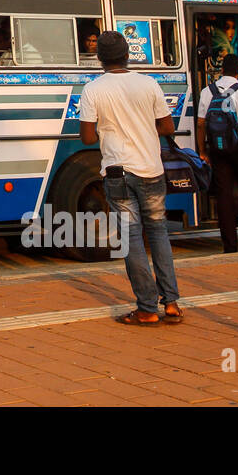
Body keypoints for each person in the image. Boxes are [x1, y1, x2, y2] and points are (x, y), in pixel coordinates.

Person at [78, 31, 183, 325]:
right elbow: (167, 127)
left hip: (119, 173)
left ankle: (147, 308)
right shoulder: (149, 83)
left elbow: (87, 137)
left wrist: (109, 129)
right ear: (127, 55)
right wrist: (143, 128)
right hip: (152, 169)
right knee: (158, 233)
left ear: (99, 58)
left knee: (132, 238)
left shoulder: (93, 90)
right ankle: (171, 303)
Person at [196, 53, 238, 252]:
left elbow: (200, 124)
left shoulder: (207, 91)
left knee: (224, 196)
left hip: (217, 148)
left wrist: (203, 150)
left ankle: (229, 245)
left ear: (222, 70)